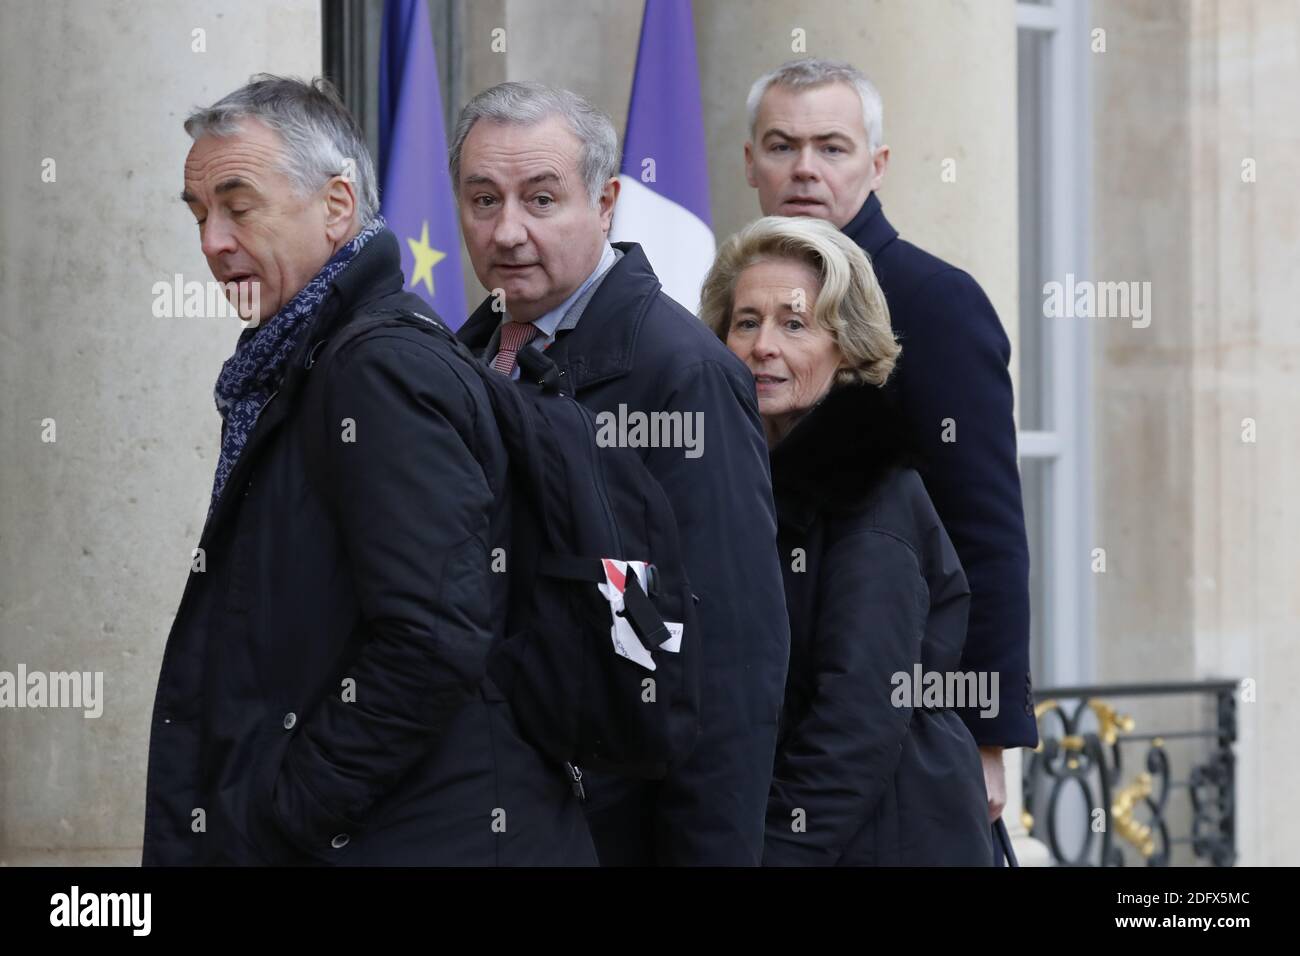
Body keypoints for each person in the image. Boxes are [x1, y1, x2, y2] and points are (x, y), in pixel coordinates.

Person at [142, 75, 595, 866]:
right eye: (199, 214)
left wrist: (289, 810)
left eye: (238, 206)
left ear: (337, 207)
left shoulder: (374, 369)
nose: (212, 241)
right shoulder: (307, 359)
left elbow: (431, 638)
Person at [453, 81, 790, 865]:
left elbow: (731, 659)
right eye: (482, 200)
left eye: (541, 199)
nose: (508, 231)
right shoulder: (463, 359)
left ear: (604, 203)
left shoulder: (683, 373)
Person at [743, 58, 1040, 829]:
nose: (805, 167)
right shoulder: (741, 300)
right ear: (749, 163)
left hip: (901, 718)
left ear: (875, 165)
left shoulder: (936, 301)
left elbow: (987, 530)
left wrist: (984, 738)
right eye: (781, 145)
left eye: (832, 147)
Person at [700, 215, 992, 865]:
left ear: (850, 349)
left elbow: (857, 722)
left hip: (889, 834)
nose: (762, 346)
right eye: (746, 322)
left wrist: (773, 855)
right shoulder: (735, 486)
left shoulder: (870, 495)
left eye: (795, 323)